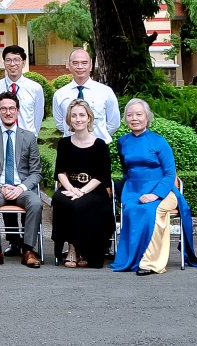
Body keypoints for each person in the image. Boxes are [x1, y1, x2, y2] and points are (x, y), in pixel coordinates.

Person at [112, 99, 197, 275]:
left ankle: (151, 263)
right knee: (132, 210)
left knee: (153, 210)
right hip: (134, 190)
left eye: (139, 114)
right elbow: (126, 170)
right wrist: (127, 192)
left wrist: (156, 195)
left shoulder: (159, 141)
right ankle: (134, 258)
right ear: (125, 118)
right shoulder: (122, 142)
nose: (134, 118)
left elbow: (170, 173)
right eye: (130, 114)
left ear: (147, 117)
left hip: (163, 191)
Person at [0, 92, 43, 268]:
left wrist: (21, 188)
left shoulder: (29, 137)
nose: (8, 112)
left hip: (21, 189)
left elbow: (36, 172)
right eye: (4, 109)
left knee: (36, 203)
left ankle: (28, 250)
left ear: (18, 111)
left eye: (11, 108)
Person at [52, 98, 114, 268]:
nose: (78, 119)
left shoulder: (100, 145)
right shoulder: (64, 143)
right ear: (69, 120)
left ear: (89, 118)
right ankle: (72, 249)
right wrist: (72, 189)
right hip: (69, 188)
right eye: (74, 116)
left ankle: (85, 250)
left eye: (82, 115)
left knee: (81, 204)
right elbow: (60, 173)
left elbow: (101, 176)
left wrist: (81, 192)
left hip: (94, 190)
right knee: (61, 200)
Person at [52, 47, 121, 143]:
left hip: (98, 148)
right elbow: (60, 123)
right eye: (75, 63)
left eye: (84, 63)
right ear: (69, 66)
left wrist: (97, 138)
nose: (80, 67)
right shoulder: (60, 94)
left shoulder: (105, 92)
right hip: (71, 147)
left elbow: (114, 123)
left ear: (91, 66)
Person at [0, 45, 45, 133]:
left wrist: (32, 136)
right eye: (8, 60)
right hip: (2, 138)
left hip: (27, 139)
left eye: (16, 60)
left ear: (23, 63)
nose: (12, 64)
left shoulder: (35, 88)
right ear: (4, 63)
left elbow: (38, 116)